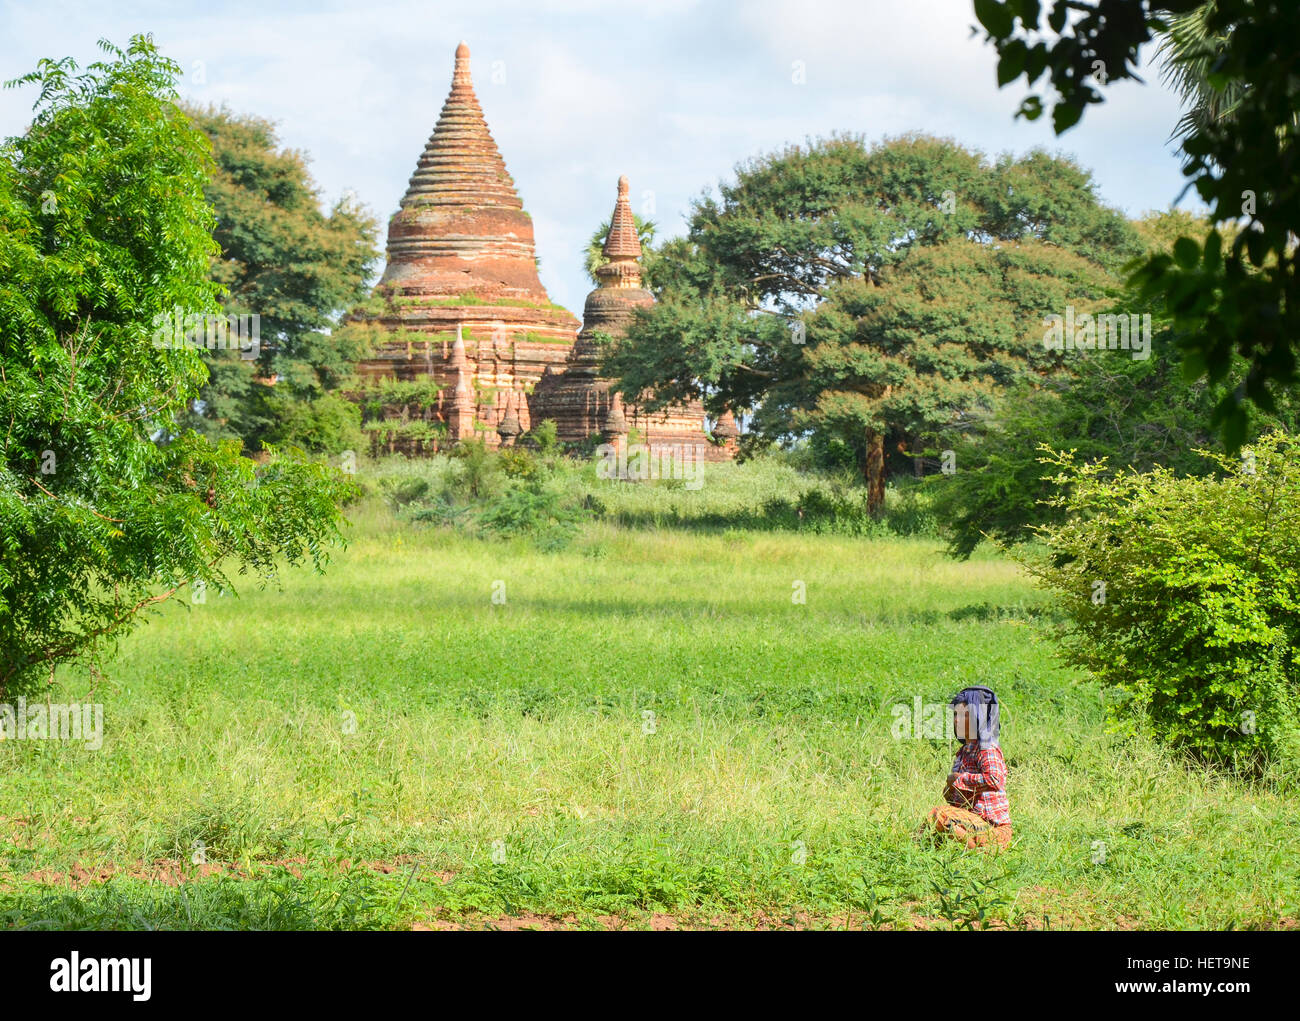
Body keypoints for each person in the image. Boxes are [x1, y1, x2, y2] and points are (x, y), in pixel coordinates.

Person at [923, 685, 1012, 851]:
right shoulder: (963, 752)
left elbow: (995, 780)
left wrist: (959, 779)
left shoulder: (987, 747)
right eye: (955, 714)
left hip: (993, 829)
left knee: (940, 815)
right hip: (972, 824)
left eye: (963, 715)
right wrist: (949, 790)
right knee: (927, 829)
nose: (956, 720)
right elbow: (958, 800)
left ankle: (982, 854)